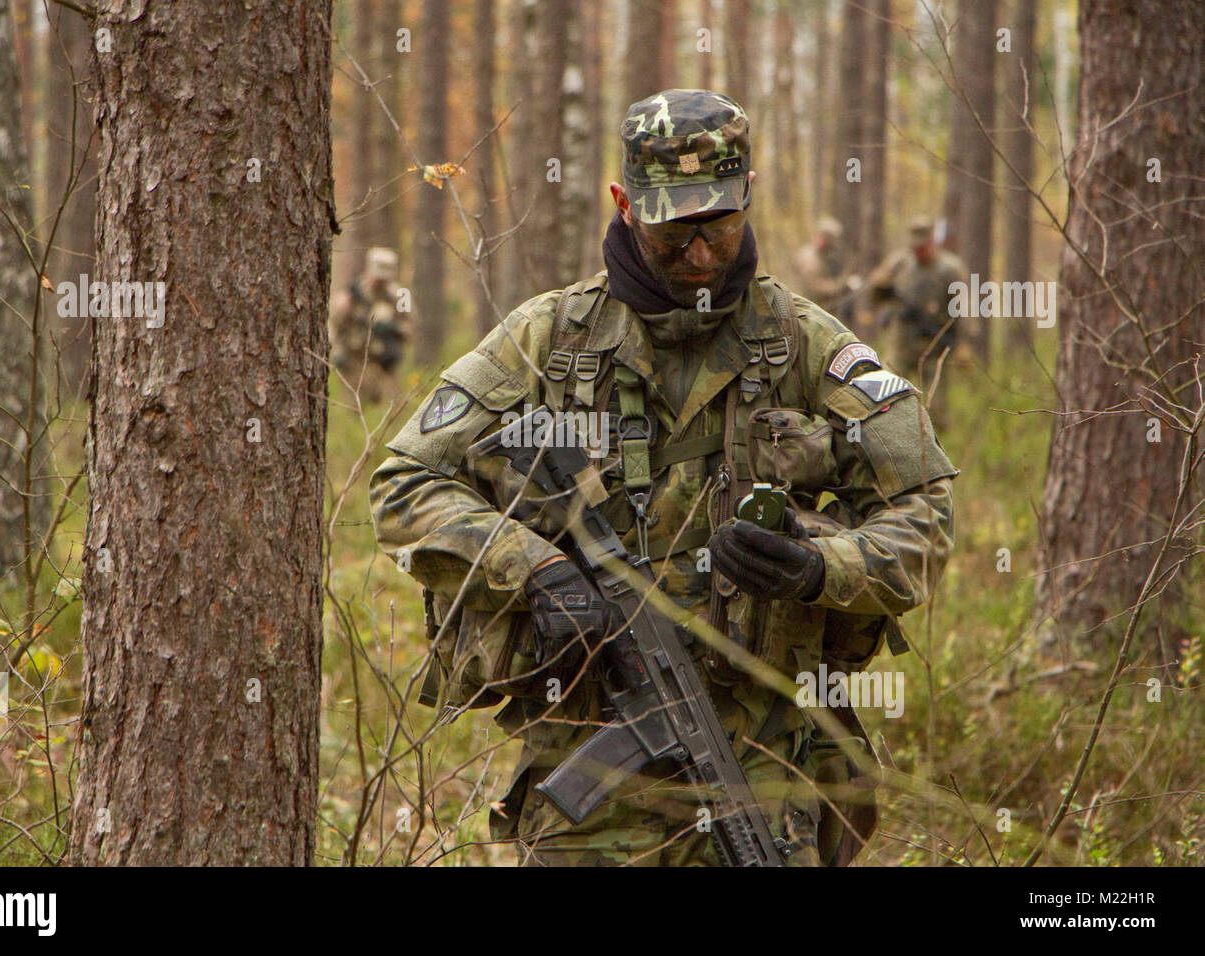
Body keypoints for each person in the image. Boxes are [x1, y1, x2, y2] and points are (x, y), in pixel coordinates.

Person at [369, 89, 958, 866]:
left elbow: (926, 511)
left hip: (767, 762)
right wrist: (533, 570)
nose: (701, 250)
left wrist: (823, 566)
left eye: (719, 220)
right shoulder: (550, 338)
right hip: (588, 766)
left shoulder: (806, 345)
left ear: (747, 195)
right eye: (673, 225)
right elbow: (405, 483)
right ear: (622, 202)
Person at [868, 217, 968, 424]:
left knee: (936, 409)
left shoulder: (950, 269)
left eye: (922, 247)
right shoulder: (899, 263)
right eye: (915, 248)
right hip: (901, 343)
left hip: (934, 343)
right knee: (886, 397)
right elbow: (876, 297)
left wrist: (963, 344)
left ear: (932, 242)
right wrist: (878, 285)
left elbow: (964, 310)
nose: (918, 252)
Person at [330, 246, 408, 402]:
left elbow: (410, 328)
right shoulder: (351, 294)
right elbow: (333, 325)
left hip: (386, 365)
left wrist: (393, 328)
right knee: (354, 410)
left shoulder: (401, 296)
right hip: (355, 366)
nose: (381, 282)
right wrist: (336, 351)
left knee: (391, 410)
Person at [791, 216, 861, 321]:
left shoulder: (820, 256)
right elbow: (814, 287)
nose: (831, 248)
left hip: (813, 312)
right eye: (830, 242)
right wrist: (842, 285)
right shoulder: (809, 258)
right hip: (806, 315)